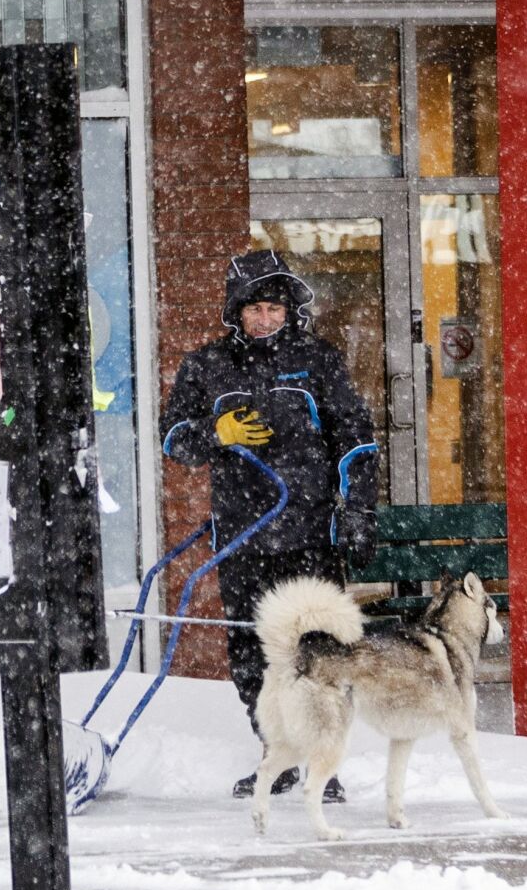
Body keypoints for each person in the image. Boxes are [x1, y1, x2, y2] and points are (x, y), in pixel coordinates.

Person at [159, 250, 378, 802]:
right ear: (236, 310)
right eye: (255, 308)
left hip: (308, 533)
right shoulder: (207, 365)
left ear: (289, 311)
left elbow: (355, 439)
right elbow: (173, 438)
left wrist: (357, 510)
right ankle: (276, 756)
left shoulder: (318, 360)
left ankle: (324, 765)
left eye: (274, 309)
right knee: (252, 650)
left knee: (318, 651)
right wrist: (217, 432)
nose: (265, 319)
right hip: (242, 535)